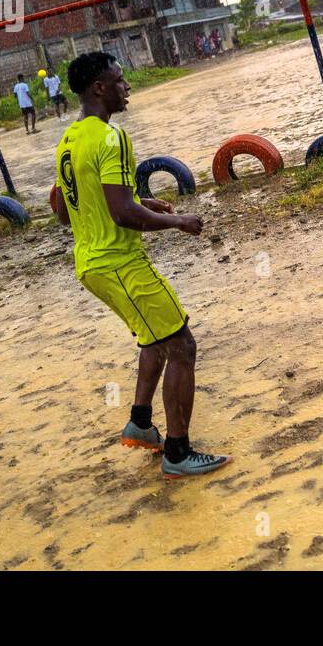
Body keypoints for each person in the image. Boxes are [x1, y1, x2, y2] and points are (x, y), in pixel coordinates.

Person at [50, 51, 231, 479]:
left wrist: (139, 200)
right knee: (182, 346)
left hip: (90, 265)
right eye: (120, 79)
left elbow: (64, 209)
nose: (127, 86)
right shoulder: (112, 139)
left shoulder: (71, 138)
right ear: (100, 88)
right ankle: (178, 453)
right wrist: (177, 221)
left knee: (155, 338)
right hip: (119, 262)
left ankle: (141, 423)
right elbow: (121, 215)